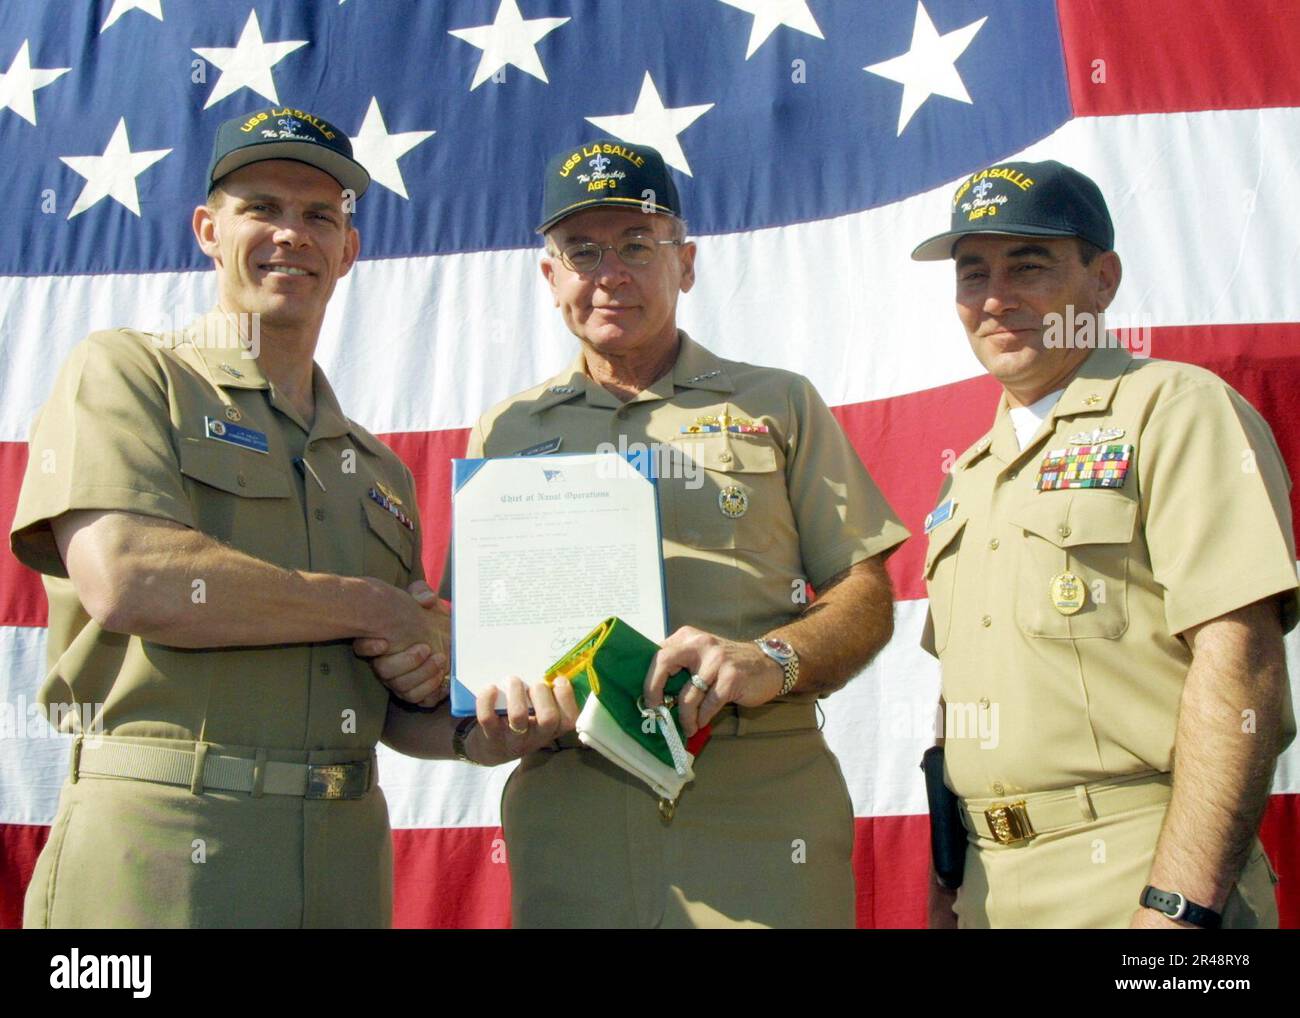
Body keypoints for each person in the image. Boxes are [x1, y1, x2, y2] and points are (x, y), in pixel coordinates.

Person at [431, 139, 908, 928]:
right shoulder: (505, 434)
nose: (610, 273)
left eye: (637, 246)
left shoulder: (779, 404)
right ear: (550, 278)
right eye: (582, 251)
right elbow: (469, 639)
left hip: (760, 804)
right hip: (569, 809)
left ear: (685, 263)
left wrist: (773, 659)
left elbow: (866, 594)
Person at [9, 106, 466, 927]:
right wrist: (372, 606)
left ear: (348, 250)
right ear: (207, 230)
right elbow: (130, 578)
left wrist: (483, 713)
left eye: (319, 216)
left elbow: (398, 698)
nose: (292, 233)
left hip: (341, 858)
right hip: (164, 854)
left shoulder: (380, 470)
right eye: (262, 207)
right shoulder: (129, 374)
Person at [913, 159, 1297, 928]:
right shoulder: (971, 477)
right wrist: (946, 895)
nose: (995, 298)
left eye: (1029, 265)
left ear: (1103, 278)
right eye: (972, 272)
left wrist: (1178, 906)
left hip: (1139, 875)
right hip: (989, 888)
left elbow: (1243, 668)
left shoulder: (1176, 409)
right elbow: (962, 712)